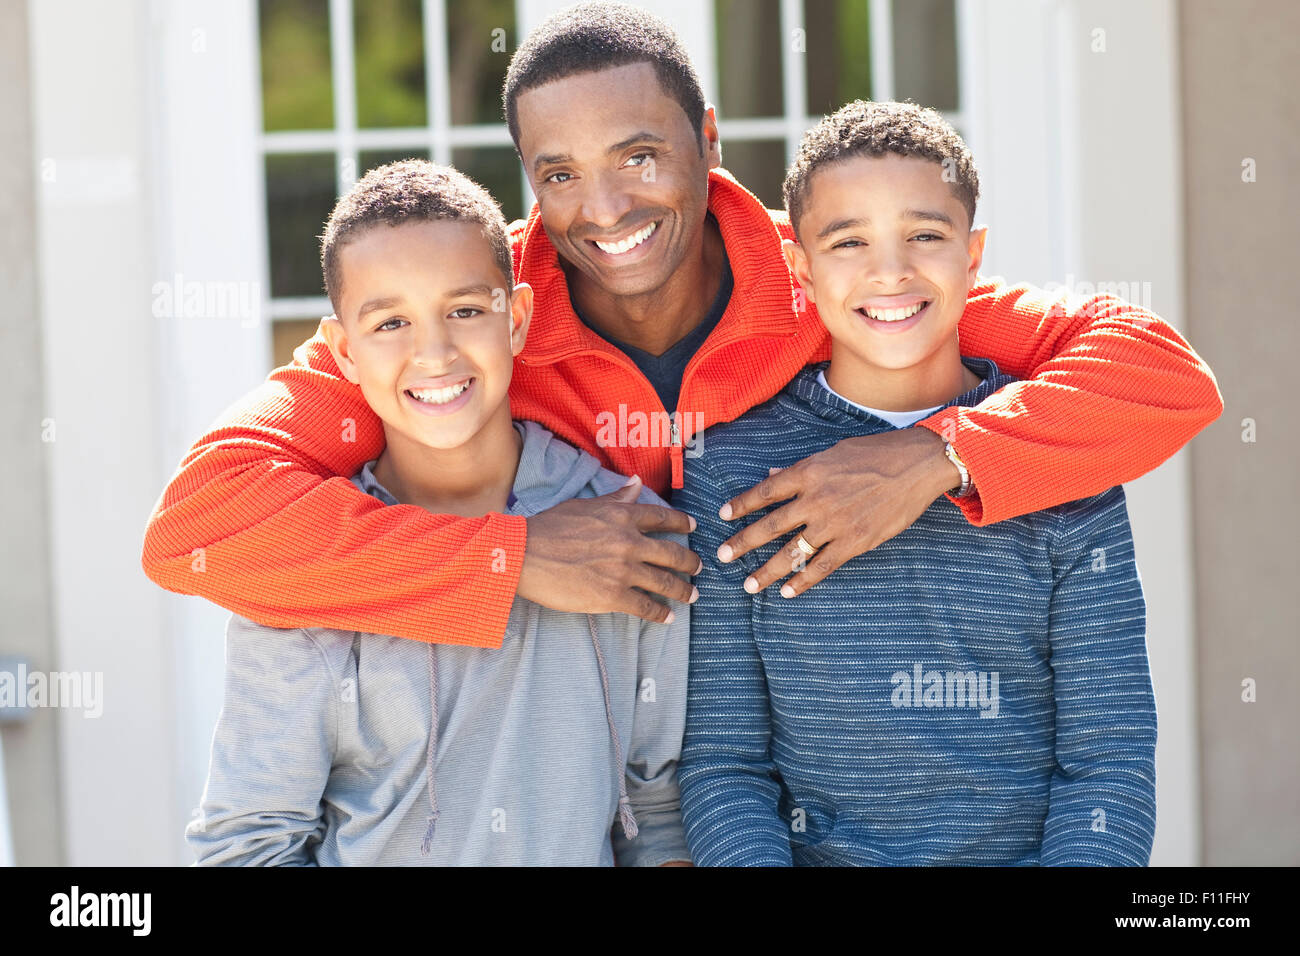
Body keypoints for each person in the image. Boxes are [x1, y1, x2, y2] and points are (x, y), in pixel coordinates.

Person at [141, 2, 1221, 649]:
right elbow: (197, 531)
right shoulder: (467, 324)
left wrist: (927, 456)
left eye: (639, 157)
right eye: (558, 174)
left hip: (784, 781)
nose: (601, 208)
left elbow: (1158, 372)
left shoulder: (825, 291)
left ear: (705, 137)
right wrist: (504, 557)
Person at [676, 101, 1157, 866]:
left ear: (974, 256)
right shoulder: (728, 470)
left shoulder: (1059, 457)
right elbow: (724, 766)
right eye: (849, 241)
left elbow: (1108, 762)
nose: (890, 271)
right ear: (800, 267)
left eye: (926, 236)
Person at [187, 161, 691, 866]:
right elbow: (249, 844)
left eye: (464, 311)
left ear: (514, 319)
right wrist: (505, 559)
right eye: (390, 322)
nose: (434, 353)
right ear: (344, 353)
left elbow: (659, 810)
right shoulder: (298, 572)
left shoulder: (624, 532)